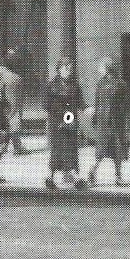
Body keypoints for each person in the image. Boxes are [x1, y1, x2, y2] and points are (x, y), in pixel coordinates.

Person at [86, 58, 130, 187]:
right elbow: (97, 102)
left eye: (101, 67)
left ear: (107, 67)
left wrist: (126, 121)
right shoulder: (101, 83)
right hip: (104, 122)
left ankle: (118, 176)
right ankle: (93, 171)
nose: (99, 70)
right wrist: (95, 118)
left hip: (116, 122)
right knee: (101, 150)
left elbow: (125, 104)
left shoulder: (120, 84)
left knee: (117, 151)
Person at [44, 58, 87, 190]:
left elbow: (80, 103)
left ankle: (75, 177)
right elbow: (46, 105)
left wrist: (87, 109)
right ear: (59, 69)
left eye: (70, 68)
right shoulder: (51, 85)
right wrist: (61, 115)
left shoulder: (74, 85)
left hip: (69, 121)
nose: (69, 71)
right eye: (66, 68)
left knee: (70, 149)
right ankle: (51, 177)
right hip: (56, 123)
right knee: (56, 150)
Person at [0, 50, 27, 155]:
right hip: (12, 106)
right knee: (14, 121)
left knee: (5, 125)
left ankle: (3, 146)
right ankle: (16, 146)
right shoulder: (17, 79)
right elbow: (19, 100)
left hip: (2, 106)